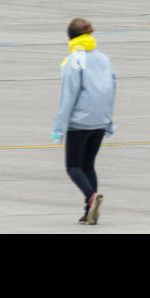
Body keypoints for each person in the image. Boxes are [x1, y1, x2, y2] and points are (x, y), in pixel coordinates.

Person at [52, 18, 117, 225]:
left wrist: (59, 128)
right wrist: (108, 121)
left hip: (79, 123)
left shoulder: (73, 61)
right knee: (88, 165)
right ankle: (90, 210)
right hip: (100, 121)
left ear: (70, 37)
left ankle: (91, 196)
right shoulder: (104, 59)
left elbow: (68, 96)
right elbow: (111, 87)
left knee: (73, 167)